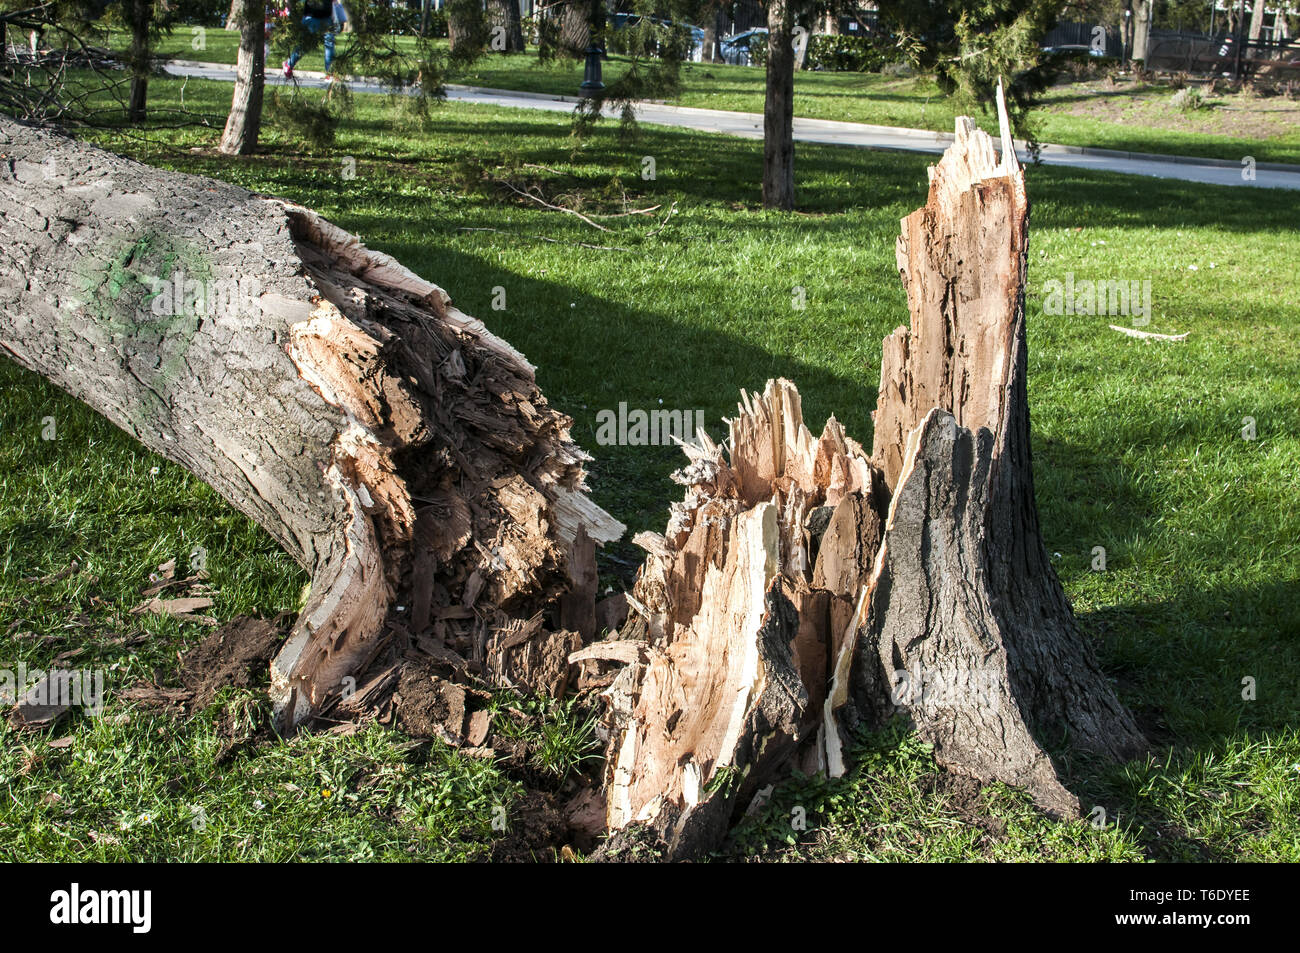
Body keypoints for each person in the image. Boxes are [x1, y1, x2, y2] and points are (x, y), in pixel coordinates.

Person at [283, 0, 336, 80]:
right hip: (311, 17)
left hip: (327, 17)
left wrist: (333, 15)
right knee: (304, 46)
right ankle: (289, 64)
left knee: (329, 45)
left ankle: (330, 74)